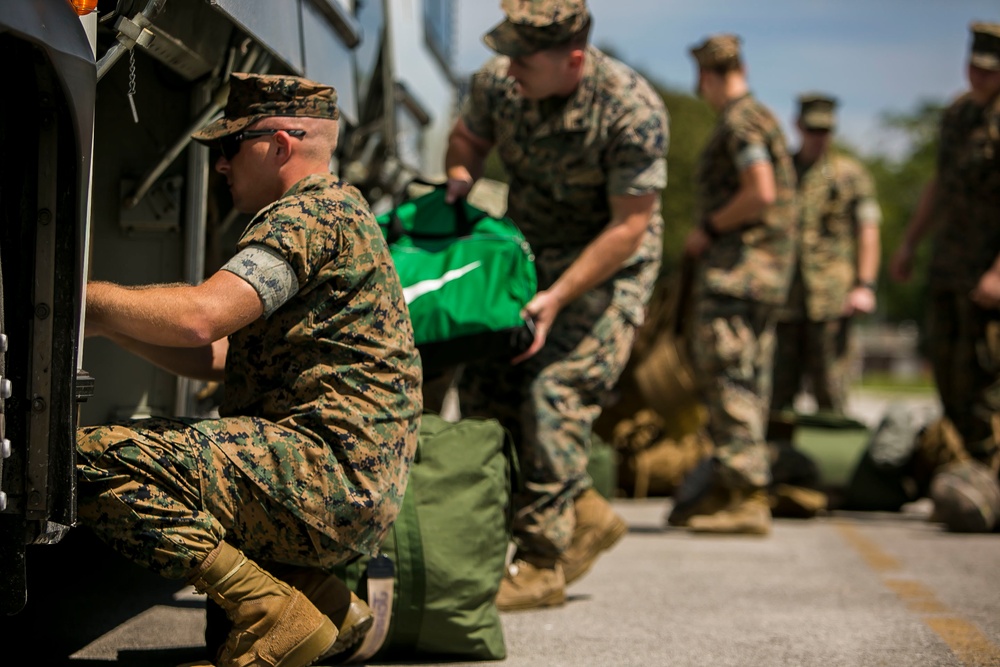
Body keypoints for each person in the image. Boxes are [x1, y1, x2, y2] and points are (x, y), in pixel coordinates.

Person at [76, 73, 422, 667]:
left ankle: (273, 612)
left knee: (88, 458)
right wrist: (112, 327)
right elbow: (220, 355)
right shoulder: (343, 212)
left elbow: (201, 318)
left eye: (231, 146)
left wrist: (87, 301)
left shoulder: (306, 215)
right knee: (223, 631)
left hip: (322, 476)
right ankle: (325, 605)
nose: (221, 164)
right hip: (350, 487)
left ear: (280, 145)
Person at [445, 0, 668, 610]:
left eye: (524, 59)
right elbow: (467, 138)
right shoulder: (500, 81)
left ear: (573, 60)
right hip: (528, 255)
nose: (509, 68)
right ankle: (583, 511)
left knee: (555, 392)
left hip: (608, 266)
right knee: (488, 388)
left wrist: (559, 296)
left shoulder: (631, 110)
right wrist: (461, 179)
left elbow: (630, 226)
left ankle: (543, 562)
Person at [667, 33, 797, 535]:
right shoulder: (761, 117)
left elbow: (760, 191)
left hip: (737, 274)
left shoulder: (742, 122)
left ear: (707, 76)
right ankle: (732, 487)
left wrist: (710, 227)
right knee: (748, 380)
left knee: (729, 379)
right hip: (762, 276)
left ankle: (746, 496)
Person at [889, 22, 1000, 469]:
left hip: (988, 273)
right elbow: (940, 184)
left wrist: (998, 272)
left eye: (990, 70)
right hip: (950, 265)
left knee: (985, 377)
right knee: (948, 372)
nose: (978, 76)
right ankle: (964, 472)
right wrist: (909, 244)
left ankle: (989, 473)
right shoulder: (957, 114)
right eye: (974, 67)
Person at [771, 93, 882, 415]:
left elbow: (868, 230)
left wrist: (865, 285)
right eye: (812, 130)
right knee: (776, 396)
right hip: (784, 300)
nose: (818, 138)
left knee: (831, 394)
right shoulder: (781, 172)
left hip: (832, 301)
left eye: (825, 131)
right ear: (798, 126)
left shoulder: (850, 175)